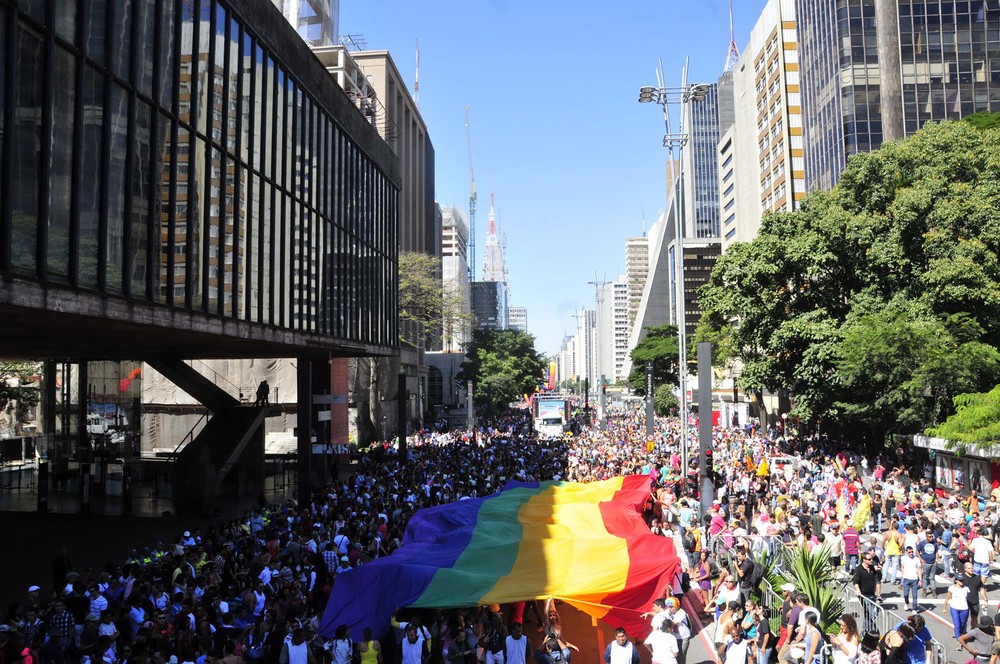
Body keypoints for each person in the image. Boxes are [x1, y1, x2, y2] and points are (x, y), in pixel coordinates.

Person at [899, 547, 921, 612]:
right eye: (909, 552)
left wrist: (920, 580)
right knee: (906, 594)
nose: (911, 553)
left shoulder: (916, 559)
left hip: (915, 579)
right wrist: (903, 575)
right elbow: (902, 567)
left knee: (915, 595)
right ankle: (906, 602)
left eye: (912, 552)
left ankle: (914, 608)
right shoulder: (903, 558)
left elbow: (919, 569)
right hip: (906, 579)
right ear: (907, 552)